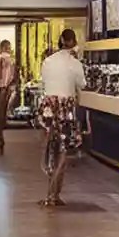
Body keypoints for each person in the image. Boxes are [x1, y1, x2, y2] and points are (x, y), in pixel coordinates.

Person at [38, 29, 87, 205]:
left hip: (48, 108)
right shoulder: (75, 63)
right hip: (65, 108)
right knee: (64, 151)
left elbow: (44, 81)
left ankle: (50, 192)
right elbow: (82, 84)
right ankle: (53, 193)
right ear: (73, 41)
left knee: (49, 149)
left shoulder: (47, 61)